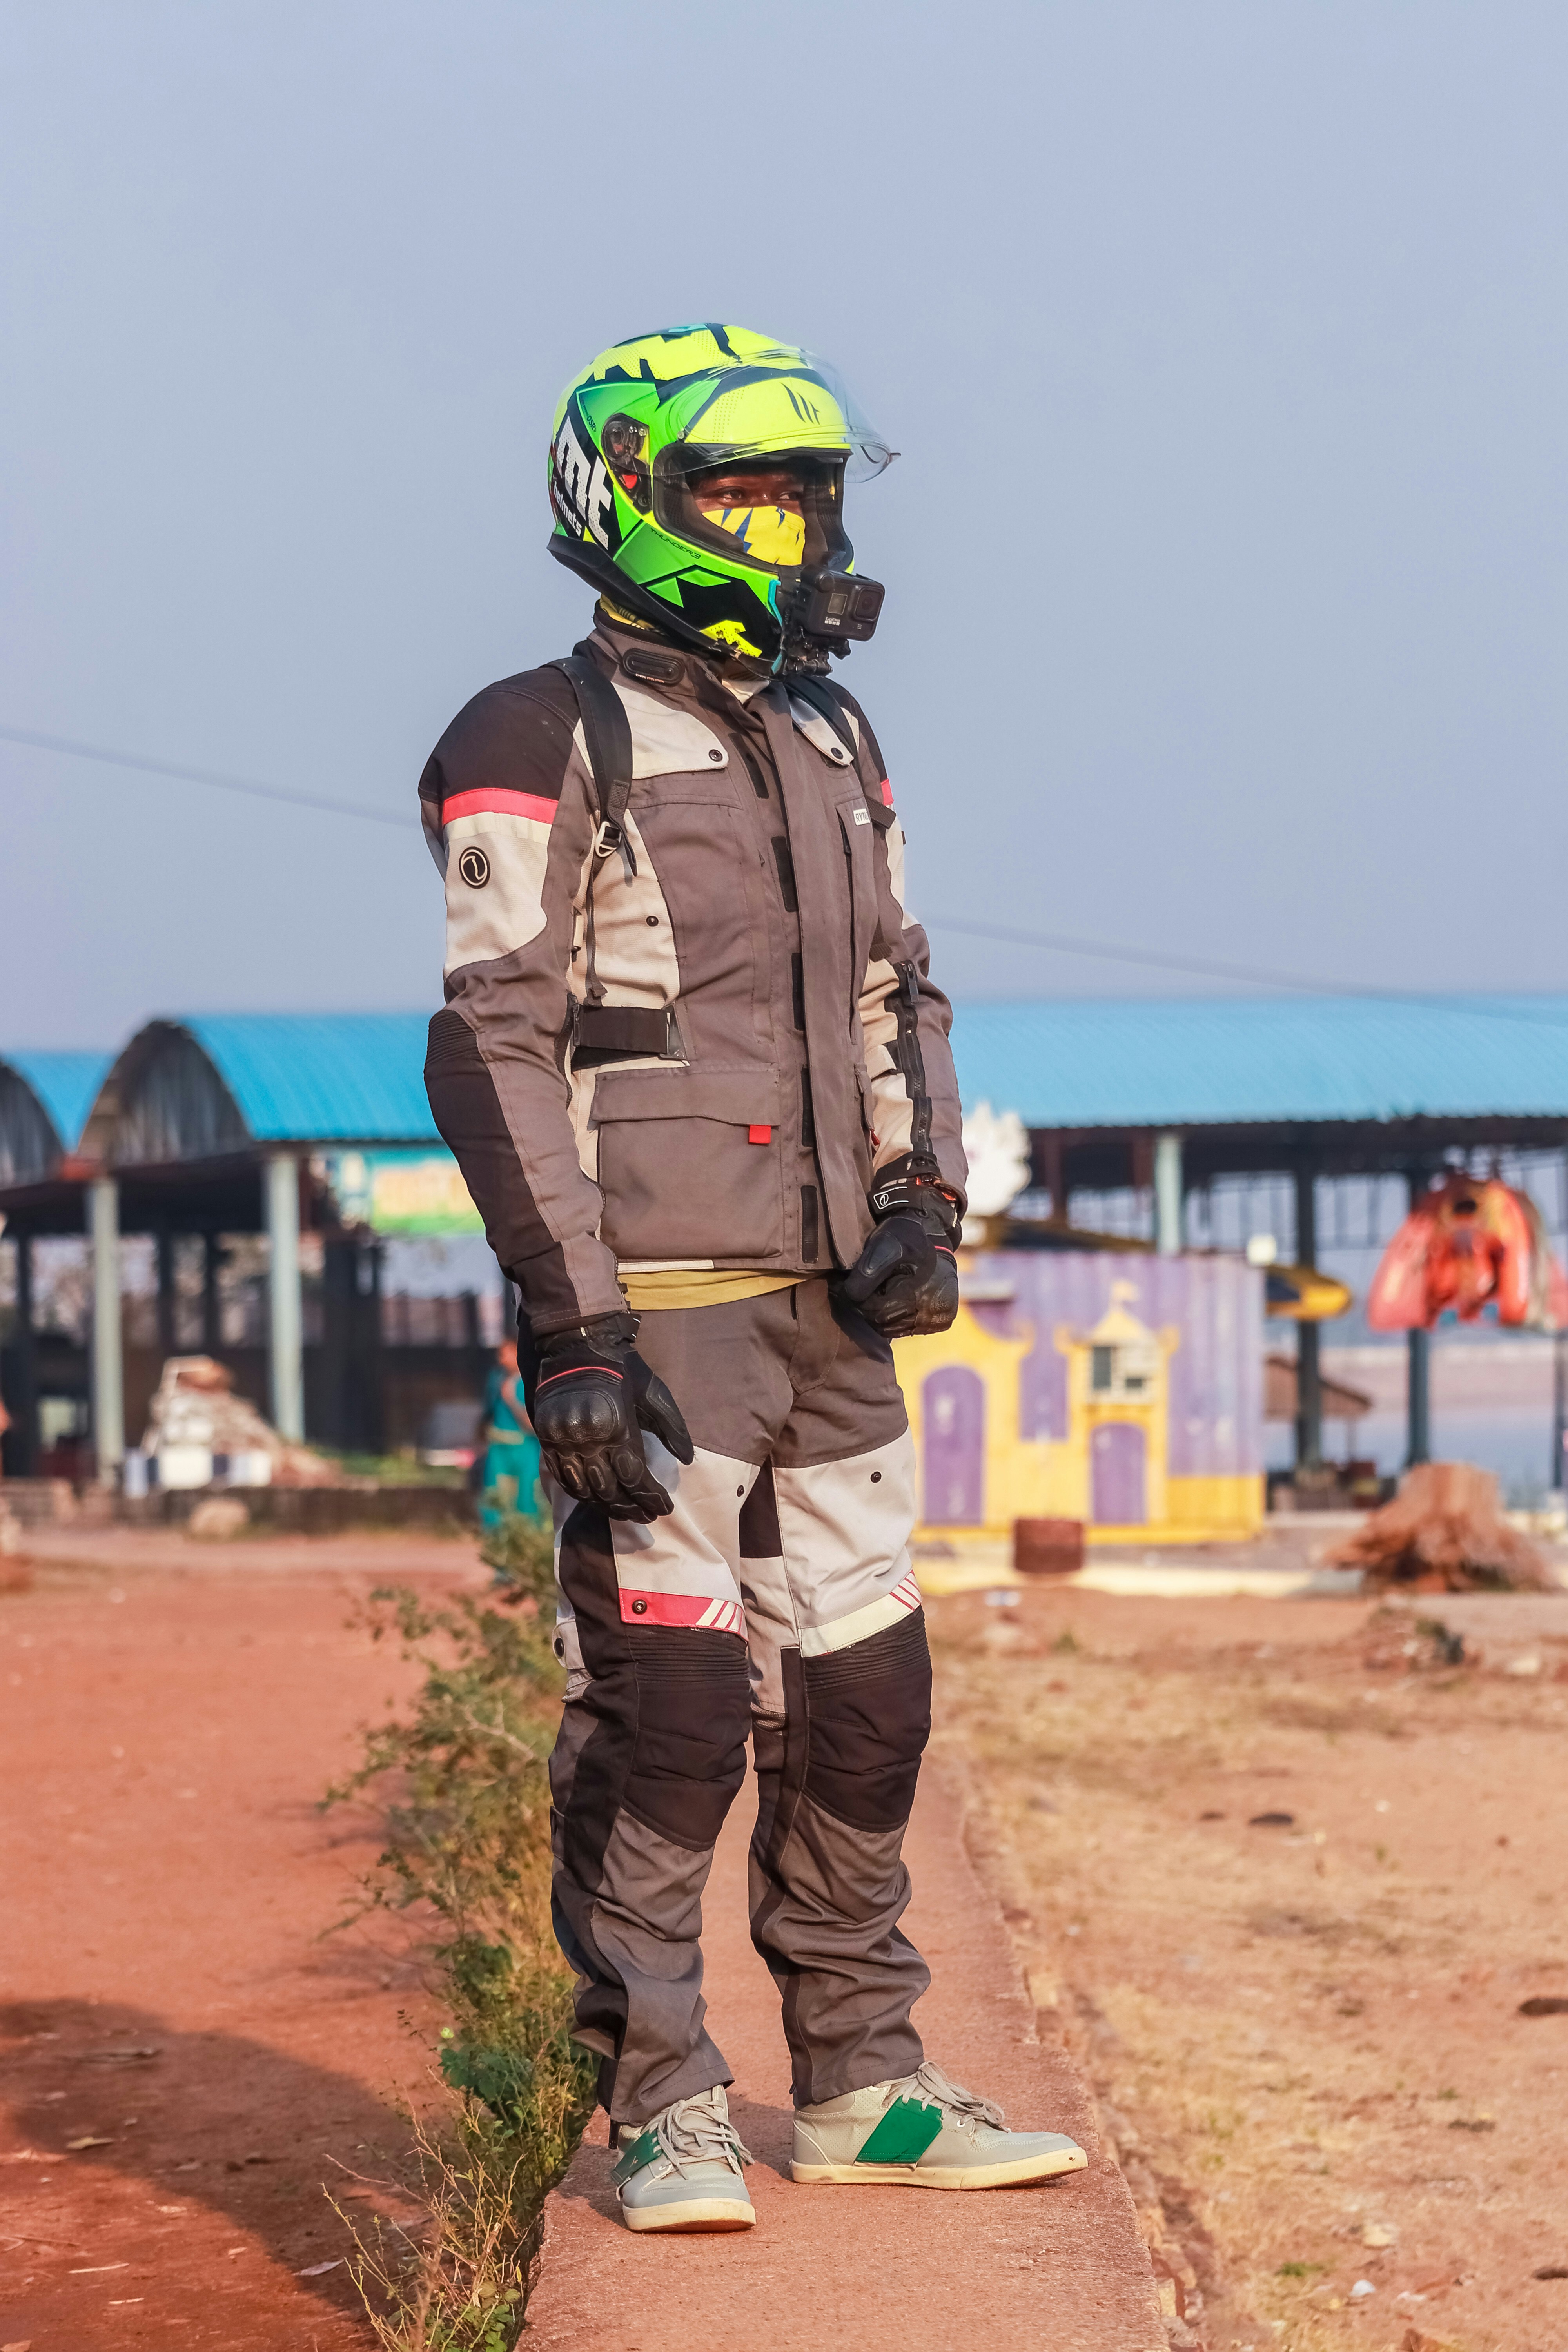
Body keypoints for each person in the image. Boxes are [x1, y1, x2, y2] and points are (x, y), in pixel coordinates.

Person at [421, 325, 1085, 2232]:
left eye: (805, 487)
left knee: (866, 1694)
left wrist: (921, 1205)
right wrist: (573, 1328)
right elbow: (491, 1041)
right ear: (627, 498)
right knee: (671, 1705)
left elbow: (894, 987)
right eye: (742, 488)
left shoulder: (831, 733)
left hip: (828, 1318)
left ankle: (867, 2080)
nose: (786, 523)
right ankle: (660, 2104)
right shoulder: (532, 737)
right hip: (655, 1316)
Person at [477, 1336, 543, 1534]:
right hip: (499, 1451)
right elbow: (488, 1414)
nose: (502, 1359)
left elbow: (534, 1426)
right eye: (501, 1355)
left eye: (507, 1354)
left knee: (527, 1501)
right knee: (496, 1501)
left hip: (526, 1450)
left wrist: (512, 1401)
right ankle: (501, 1554)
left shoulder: (531, 1381)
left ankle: (527, 1553)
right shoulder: (496, 1379)